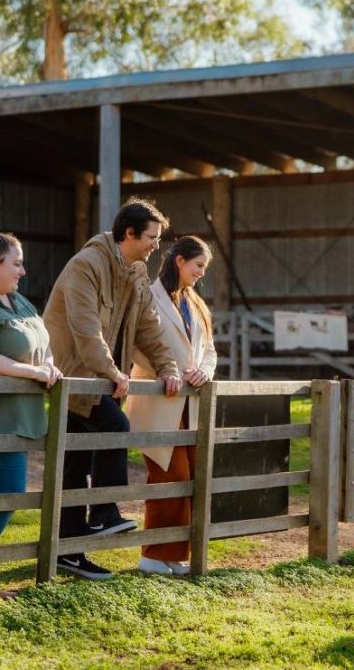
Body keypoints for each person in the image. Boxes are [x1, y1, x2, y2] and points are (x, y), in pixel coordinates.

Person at [42, 198, 181, 580]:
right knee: (115, 428)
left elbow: (149, 329)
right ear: (130, 233)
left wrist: (168, 366)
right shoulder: (85, 266)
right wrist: (115, 373)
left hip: (100, 379)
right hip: (73, 377)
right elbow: (86, 333)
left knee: (75, 465)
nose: (157, 245)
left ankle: (68, 553)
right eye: (152, 237)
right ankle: (104, 512)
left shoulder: (136, 272)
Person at [0, 228, 62, 601]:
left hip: (19, 417)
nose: (22, 271)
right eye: (16, 263)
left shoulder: (18, 302)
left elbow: (44, 343)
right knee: (8, 493)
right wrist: (35, 373)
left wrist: (48, 365)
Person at [126, 236, 217, 576]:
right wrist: (165, 370)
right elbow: (134, 342)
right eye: (198, 266)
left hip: (189, 407)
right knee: (169, 477)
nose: (200, 274)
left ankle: (174, 555)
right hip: (157, 401)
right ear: (179, 260)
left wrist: (204, 372)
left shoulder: (196, 303)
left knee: (188, 479)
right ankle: (153, 554)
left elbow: (209, 349)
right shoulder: (148, 295)